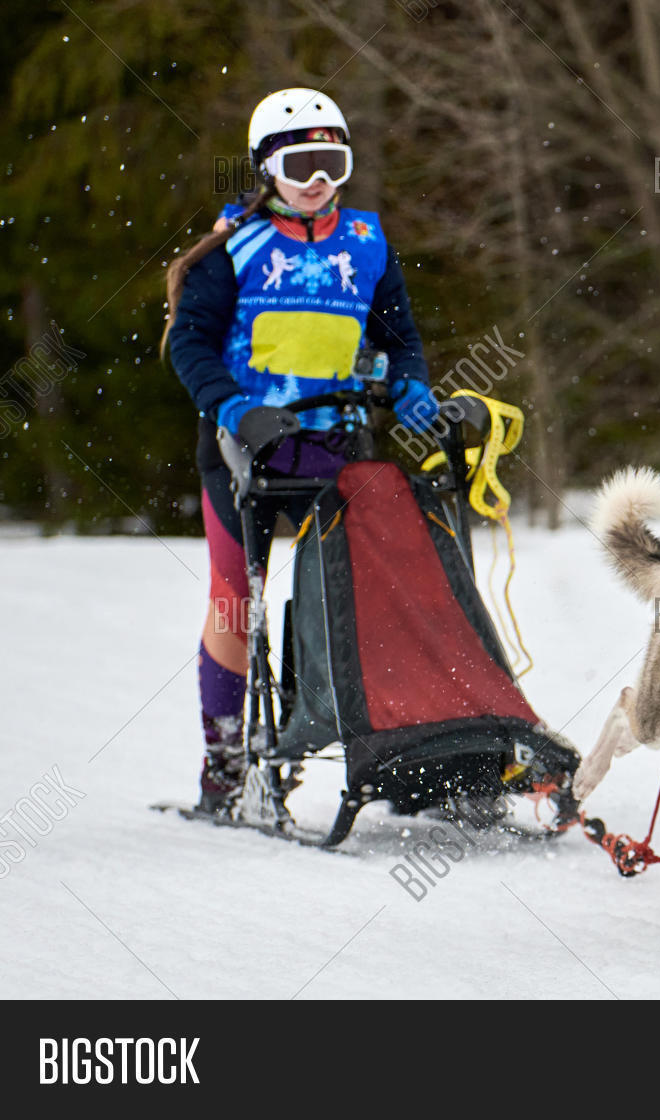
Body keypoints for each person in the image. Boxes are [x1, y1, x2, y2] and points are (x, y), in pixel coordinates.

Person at [163, 88, 440, 813]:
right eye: (300, 161)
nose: (317, 176)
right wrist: (235, 408)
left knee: (371, 589)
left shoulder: (369, 242)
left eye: (332, 160)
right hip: (243, 447)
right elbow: (188, 343)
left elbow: (401, 338)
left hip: (338, 442)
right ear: (266, 168)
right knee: (235, 600)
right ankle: (224, 767)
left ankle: (396, 752)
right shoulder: (232, 248)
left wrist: (410, 386)